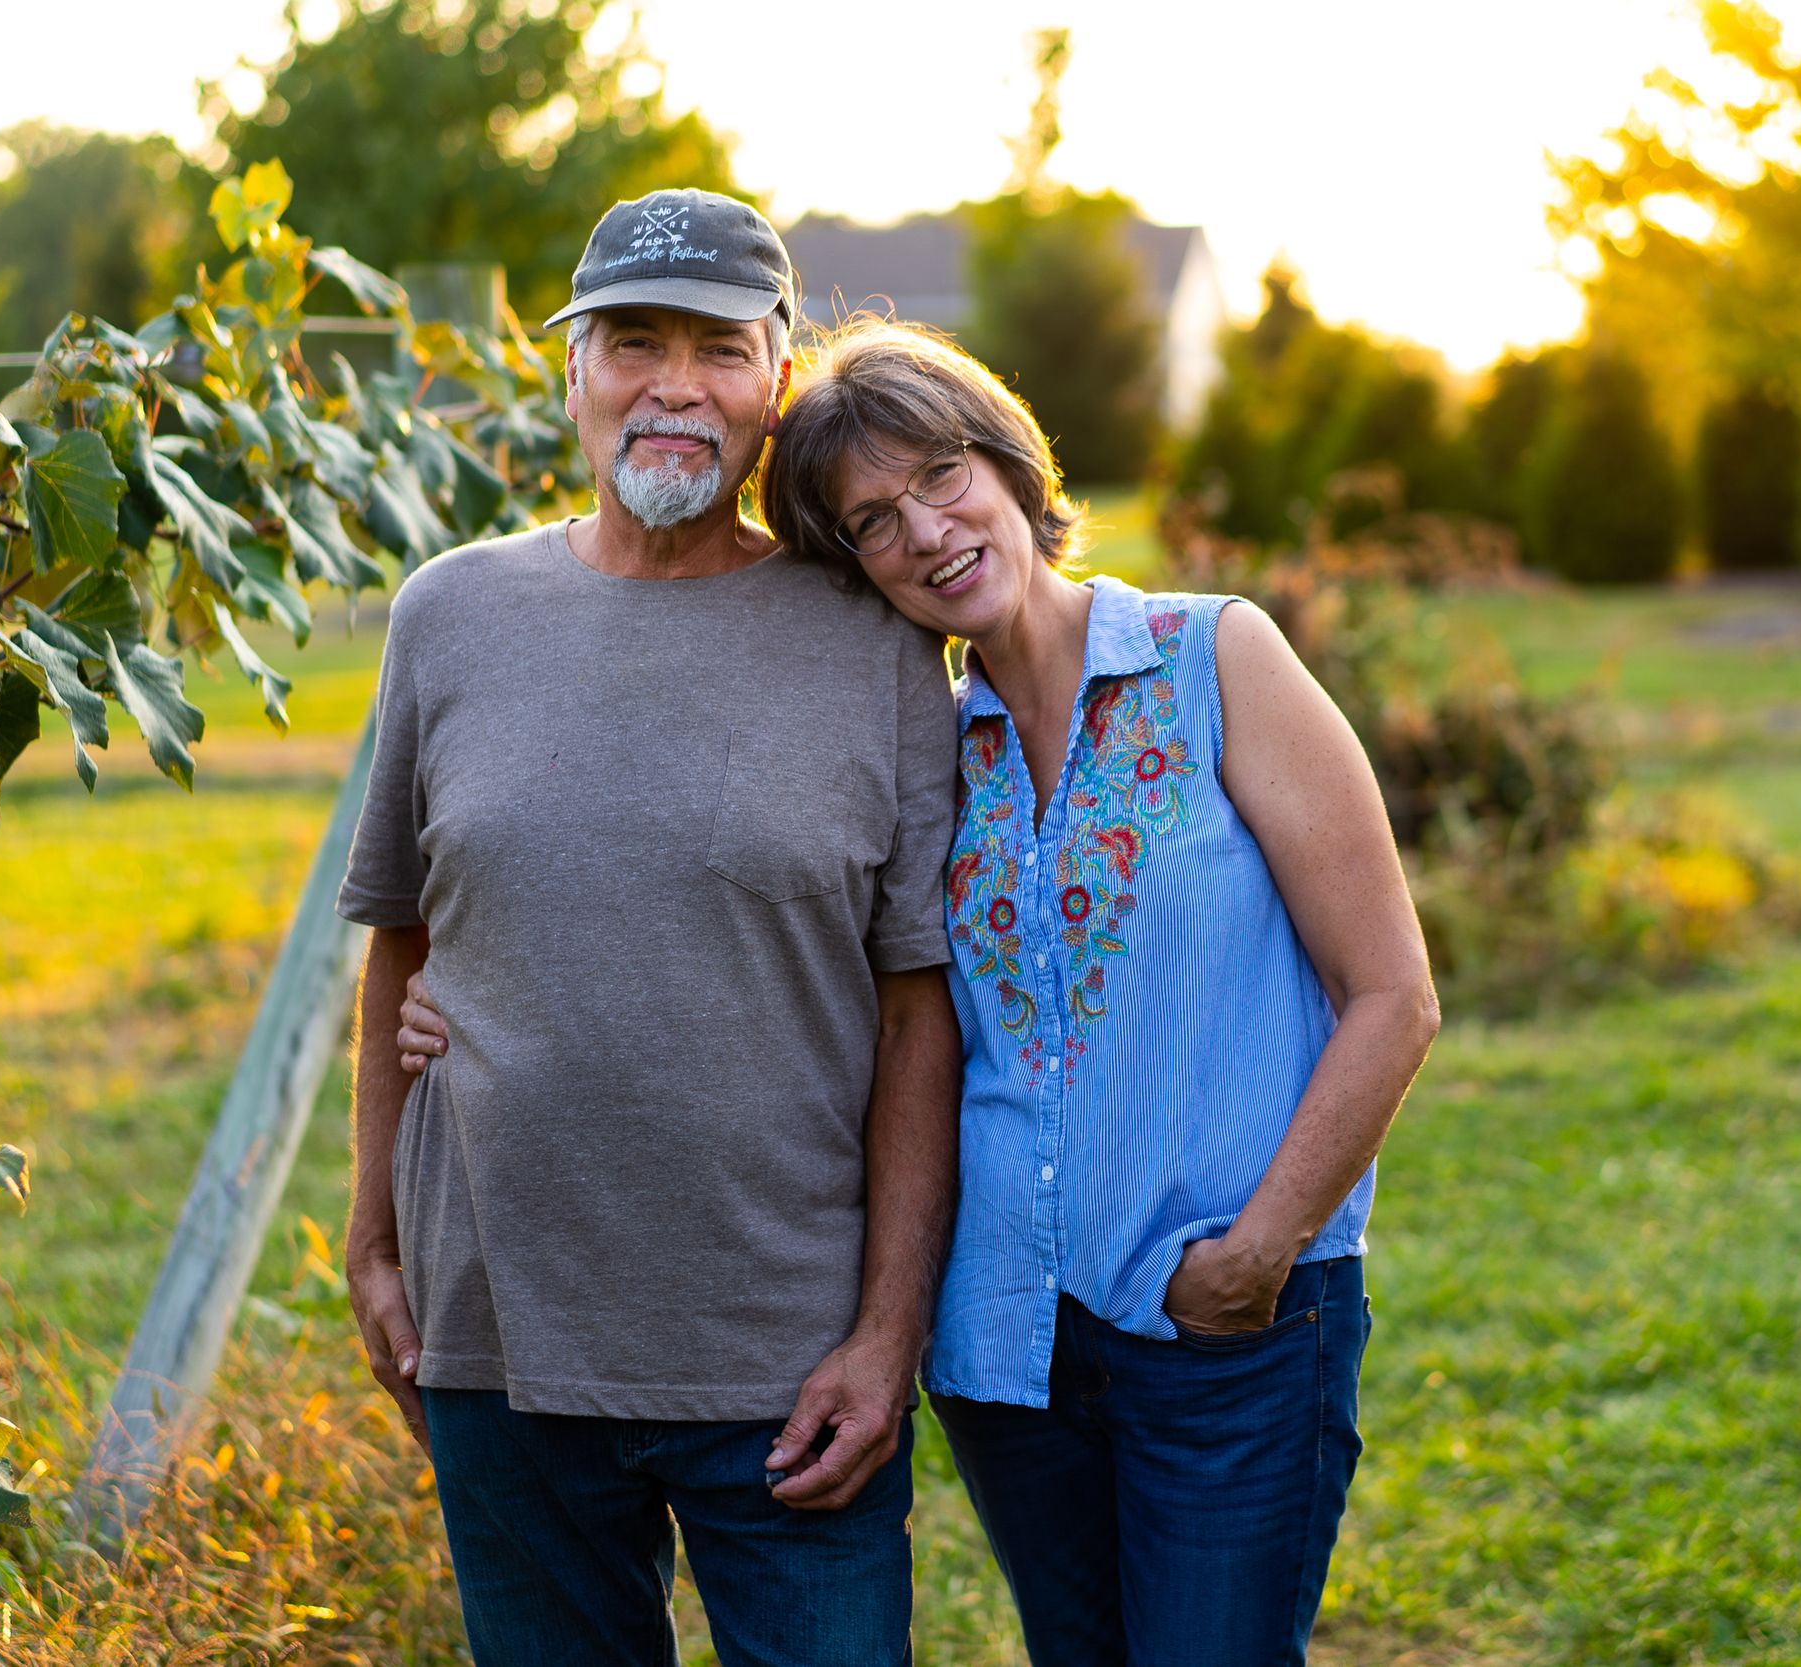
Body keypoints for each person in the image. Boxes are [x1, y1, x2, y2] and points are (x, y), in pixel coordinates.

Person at [399, 319, 1442, 1665]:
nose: (927, 533)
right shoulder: (941, 753)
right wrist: (475, 993)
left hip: (1223, 1326)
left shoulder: (1215, 662)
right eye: (872, 522)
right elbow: (823, 967)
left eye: (942, 477)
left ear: (1010, 466)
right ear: (853, 572)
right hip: (1014, 1348)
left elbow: (1393, 995)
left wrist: (1254, 1259)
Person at [335, 195, 962, 1667]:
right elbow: (401, 947)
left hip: (786, 1364)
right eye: (633, 341)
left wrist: (887, 1334)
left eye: (719, 350)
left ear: (776, 388)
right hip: (502, 1339)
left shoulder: (874, 640)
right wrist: (372, 1242)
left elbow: (917, 1012)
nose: (674, 384)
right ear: (572, 372)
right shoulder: (451, 617)